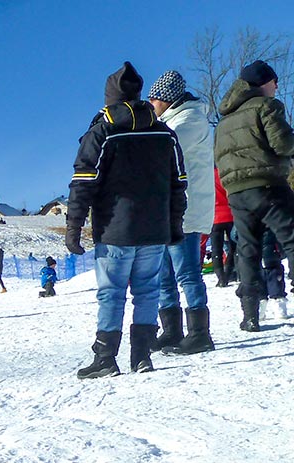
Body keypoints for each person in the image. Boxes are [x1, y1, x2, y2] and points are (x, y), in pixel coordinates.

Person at [66, 61, 187, 378]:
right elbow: (178, 186)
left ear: (110, 98)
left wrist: (74, 228)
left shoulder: (103, 132)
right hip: (155, 231)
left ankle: (106, 358)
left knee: (112, 293)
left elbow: (83, 183)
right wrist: (175, 226)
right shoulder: (165, 133)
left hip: (115, 231)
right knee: (147, 291)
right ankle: (142, 356)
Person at [214, 59, 294, 332]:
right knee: (292, 237)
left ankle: (250, 314)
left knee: (247, 249)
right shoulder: (267, 106)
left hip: (236, 192)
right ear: (263, 83)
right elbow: (282, 144)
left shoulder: (224, 120)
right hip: (268, 185)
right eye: (274, 81)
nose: (277, 86)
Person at [147, 70, 216, 355]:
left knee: (187, 272)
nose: (150, 103)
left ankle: (200, 333)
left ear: (166, 99)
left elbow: (164, 147)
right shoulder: (169, 121)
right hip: (166, 211)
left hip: (186, 210)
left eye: (154, 99)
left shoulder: (190, 120)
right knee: (163, 274)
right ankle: (172, 330)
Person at [209, 170, 237, 287]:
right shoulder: (225, 173)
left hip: (214, 216)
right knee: (233, 247)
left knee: (216, 249)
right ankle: (230, 272)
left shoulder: (207, 175)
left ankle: (221, 277)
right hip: (230, 213)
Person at [261, 229, 288, 318]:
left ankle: (259, 310)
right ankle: (280, 309)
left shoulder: (248, 219)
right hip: (273, 256)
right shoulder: (272, 219)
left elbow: (235, 235)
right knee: (276, 282)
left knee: (257, 284)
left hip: (255, 256)